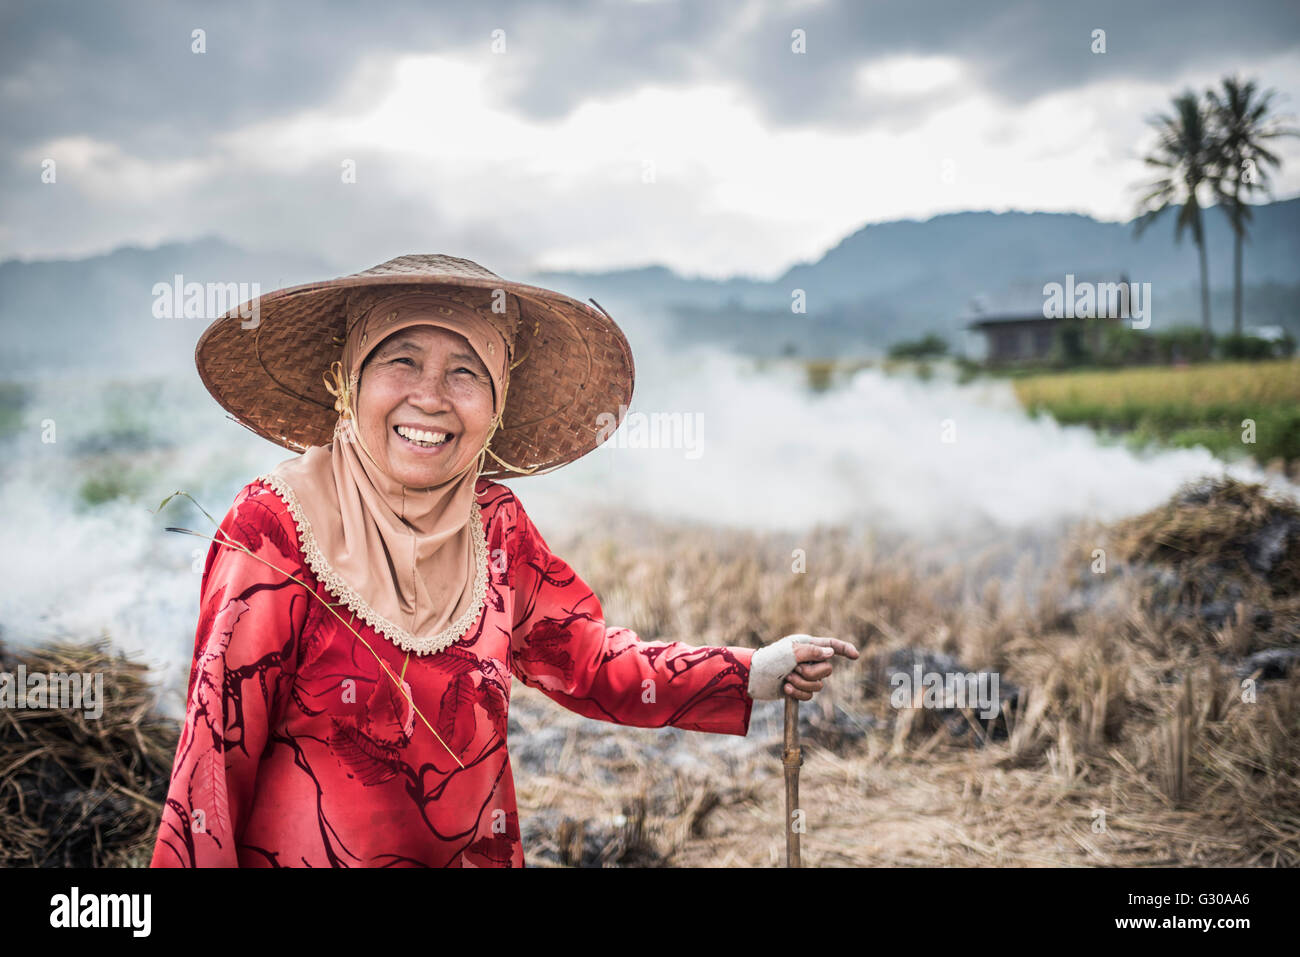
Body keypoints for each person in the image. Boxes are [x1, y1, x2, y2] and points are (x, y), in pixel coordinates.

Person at [150, 254, 857, 867]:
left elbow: (589, 663)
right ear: (350, 381)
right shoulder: (273, 528)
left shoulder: (496, 528)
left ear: (495, 404)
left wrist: (746, 671)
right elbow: (213, 761)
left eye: (466, 371)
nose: (429, 396)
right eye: (401, 360)